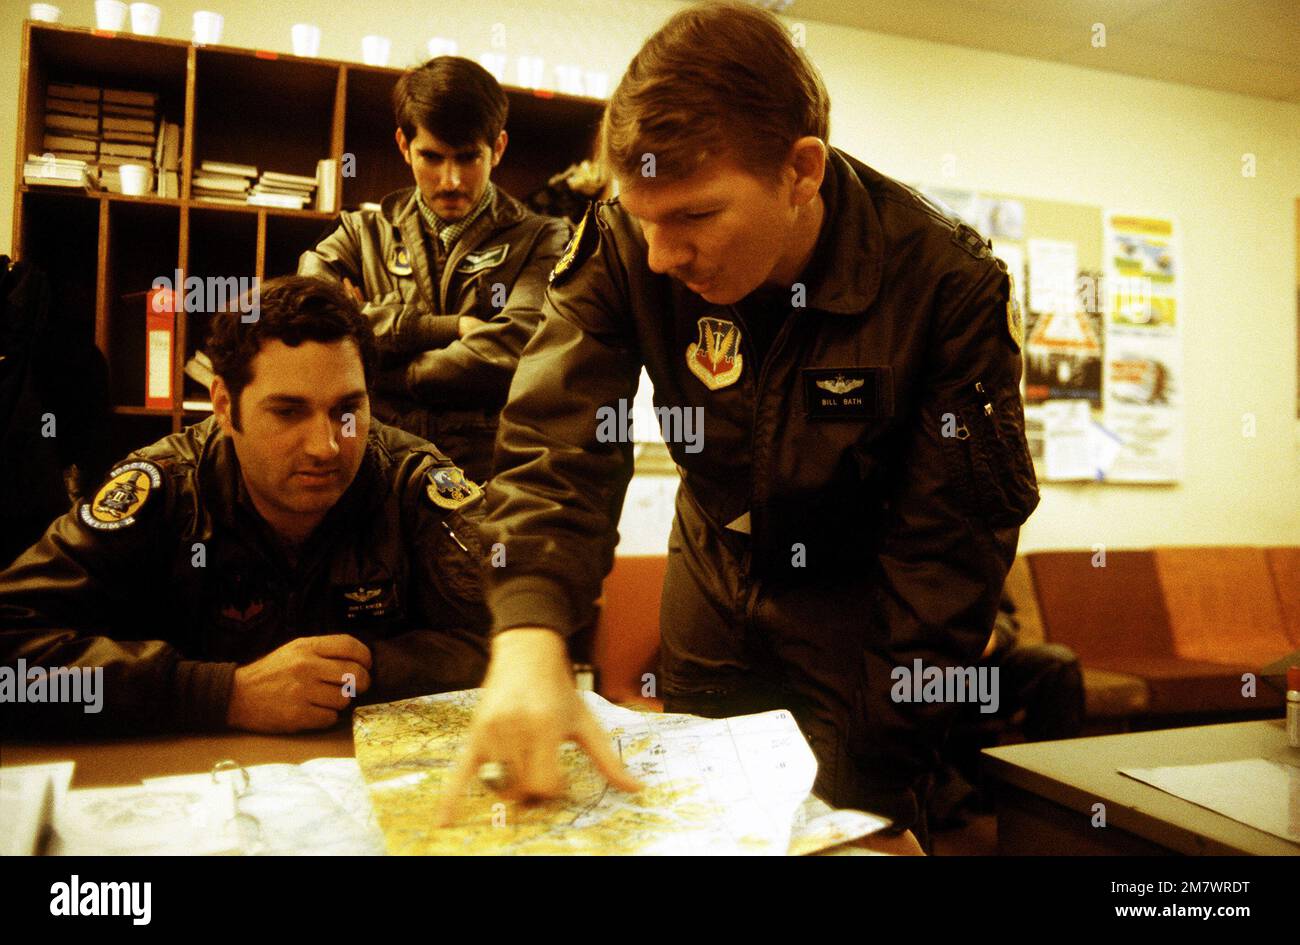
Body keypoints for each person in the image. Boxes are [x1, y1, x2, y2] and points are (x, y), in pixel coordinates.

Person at [441, 1, 1039, 848]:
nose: (659, 255)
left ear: (801, 171)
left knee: (844, 833)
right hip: (714, 574)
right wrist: (532, 626)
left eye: (694, 216)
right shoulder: (624, 238)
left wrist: (876, 792)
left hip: (855, 600)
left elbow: (942, 568)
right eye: (643, 216)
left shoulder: (945, 287)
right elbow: (559, 435)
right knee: (707, 824)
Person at [0, 275, 489, 736]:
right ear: (223, 405)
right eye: (287, 411)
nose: (326, 446)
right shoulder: (166, 490)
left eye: (347, 410)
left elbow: (517, 632)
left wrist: (362, 669)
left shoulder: (411, 480)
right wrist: (221, 693)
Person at [299, 56, 572, 483]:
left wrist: (384, 370)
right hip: (375, 467)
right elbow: (311, 320)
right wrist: (444, 328)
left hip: (487, 475)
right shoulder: (358, 233)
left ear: (497, 148)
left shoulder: (545, 238)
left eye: (468, 158)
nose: (451, 181)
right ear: (404, 147)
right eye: (432, 156)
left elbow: (518, 348)